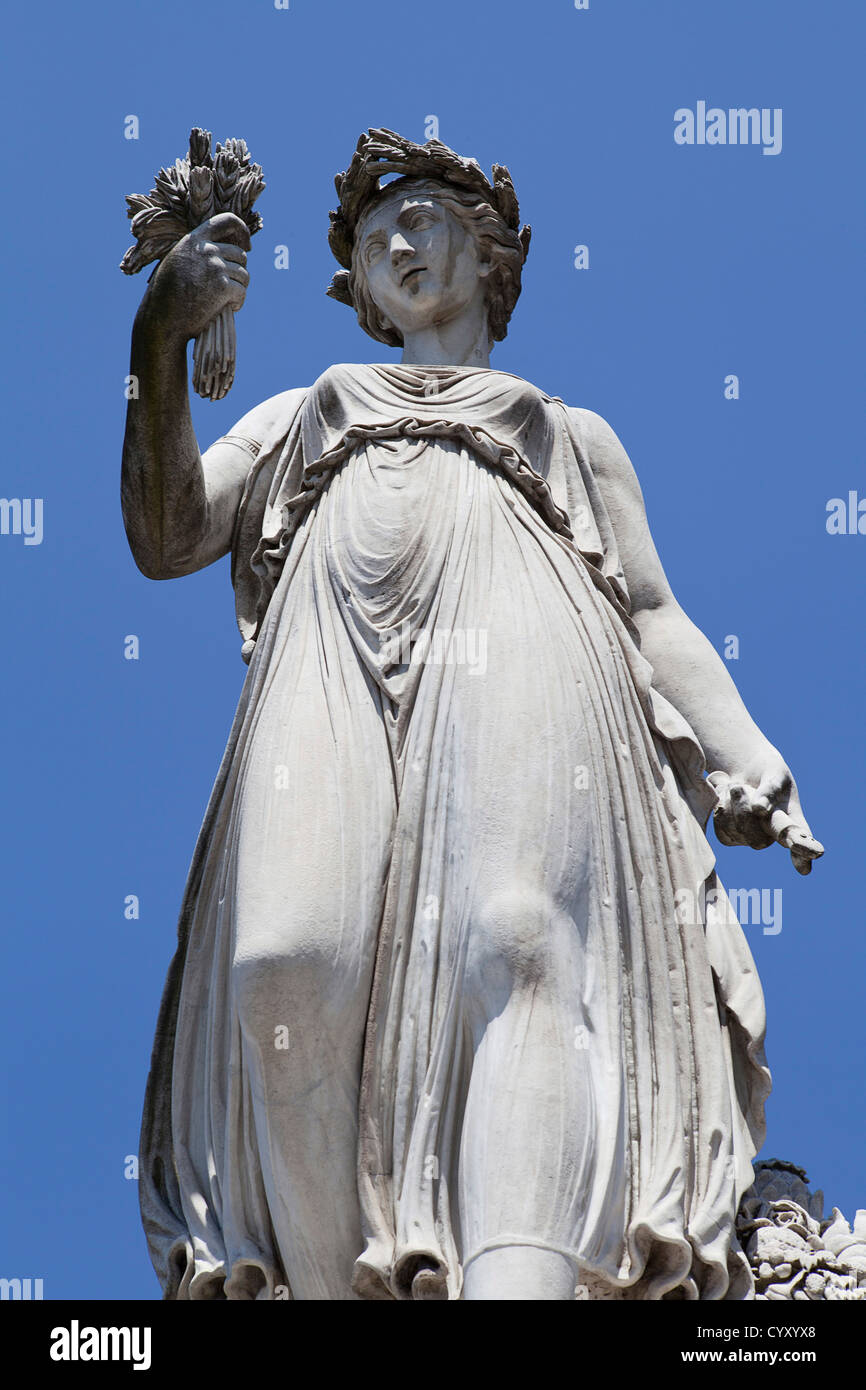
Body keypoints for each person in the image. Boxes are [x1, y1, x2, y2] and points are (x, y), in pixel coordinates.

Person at [123, 130, 823, 1301]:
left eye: (425, 213)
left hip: (524, 622)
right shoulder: (304, 414)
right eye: (376, 225)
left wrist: (742, 752)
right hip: (331, 632)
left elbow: (650, 610)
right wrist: (159, 335)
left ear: (487, 251)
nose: (398, 236)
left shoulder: (566, 431)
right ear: (353, 282)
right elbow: (169, 532)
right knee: (282, 967)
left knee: (516, 932)